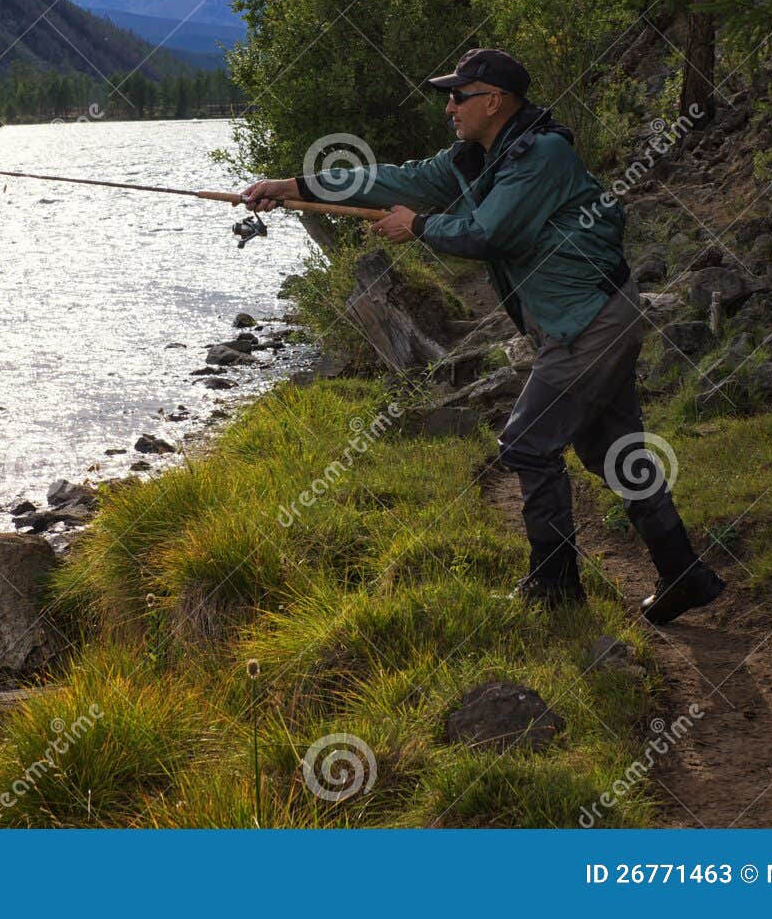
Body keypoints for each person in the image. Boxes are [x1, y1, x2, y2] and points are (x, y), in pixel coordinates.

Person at [242, 48, 725, 623]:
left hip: (589, 324)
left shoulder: (542, 155)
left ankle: (555, 588)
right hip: (585, 320)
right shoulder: (475, 159)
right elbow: (390, 179)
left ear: (494, 101)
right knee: (613, 451)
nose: (449, 106)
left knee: (526, 444)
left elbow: (487, 234)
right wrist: (291, 183)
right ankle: (685, 574)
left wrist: (417, 226)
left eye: (458, 95)